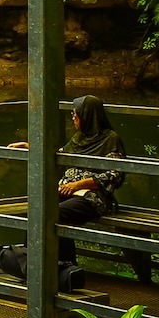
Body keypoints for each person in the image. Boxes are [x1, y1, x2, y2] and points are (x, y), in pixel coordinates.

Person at [10, 95, 128, 270]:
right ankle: (31, 264)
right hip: (66, 191)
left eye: (76, 115)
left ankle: (65, 267)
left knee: (56, 214)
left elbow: (114, 175)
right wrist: (30, 147)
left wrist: (78, 185)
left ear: (88, 116)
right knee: (35, 211)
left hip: (91, 196)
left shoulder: (109, 139)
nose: (73, 118)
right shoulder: (78, 139)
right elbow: (58, 156)